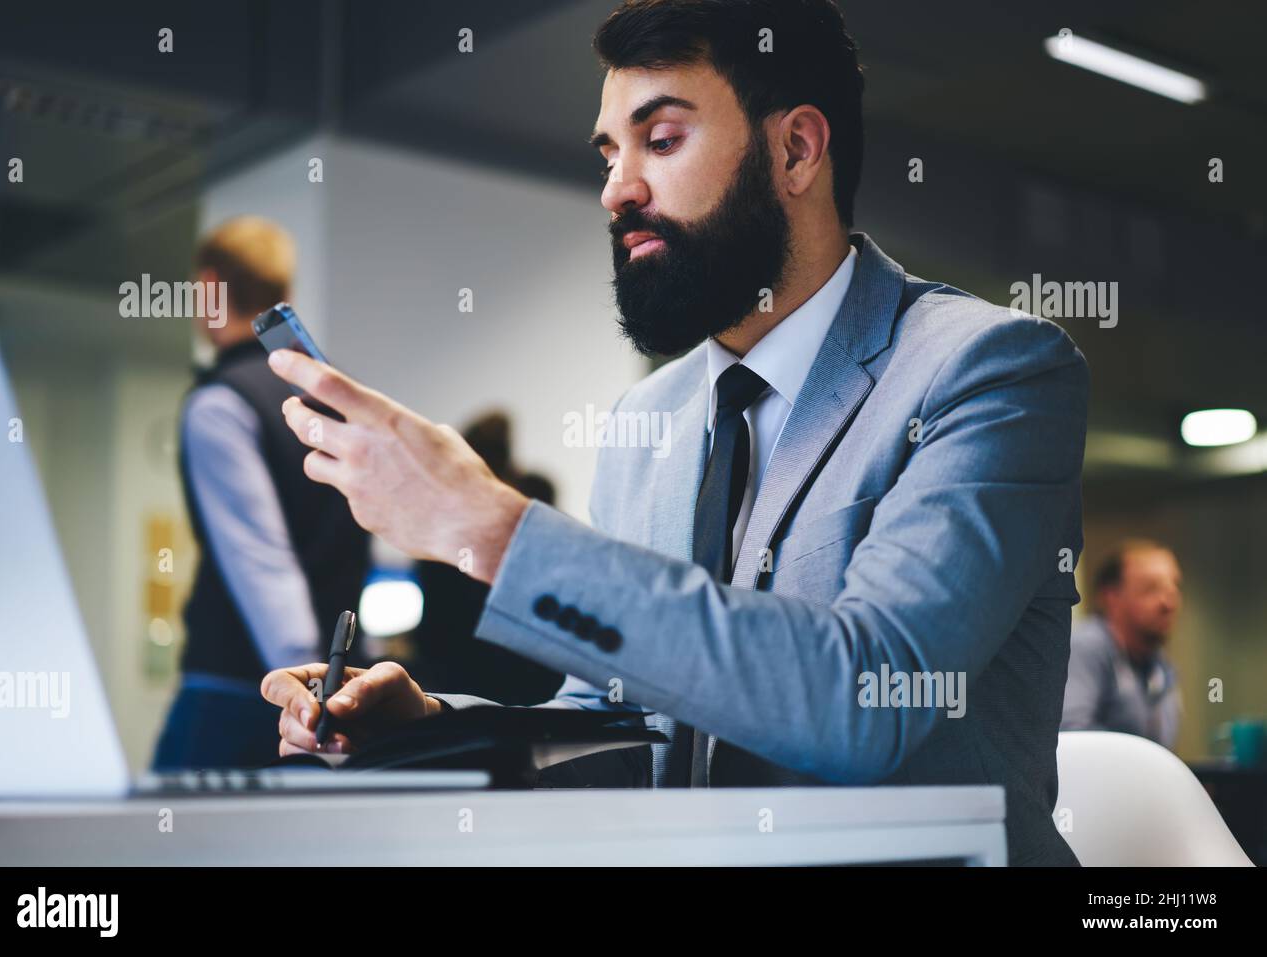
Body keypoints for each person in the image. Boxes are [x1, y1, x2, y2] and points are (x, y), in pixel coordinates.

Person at [261, 0, 1088, 865]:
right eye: (611, 153)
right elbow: (618, 723)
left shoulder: (992, 372)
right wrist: (428, 728)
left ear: (796, 150)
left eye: (660, 141)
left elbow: (867, 701)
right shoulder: (647, 419)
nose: (619, 188)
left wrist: (493, 531)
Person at [152, 216, 371, 770]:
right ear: (285, 296)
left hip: (250, 692)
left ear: (208, 290)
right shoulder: (338, 393)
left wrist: (301, 700)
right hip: (336, 684)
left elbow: (262, 564)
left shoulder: (219, 405)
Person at [408, 411, 563, 705]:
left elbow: (434, 631)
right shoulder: (534, 507)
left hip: (463, 674)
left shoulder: (443, 531)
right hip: (533, 670)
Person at [1061, 540, 1183, 748]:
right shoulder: (1088, 647)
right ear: (1111, 597)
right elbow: (1073, 735)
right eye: (1151, 589)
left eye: (1174, 587)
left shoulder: (1159, 663)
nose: (1168, 603)